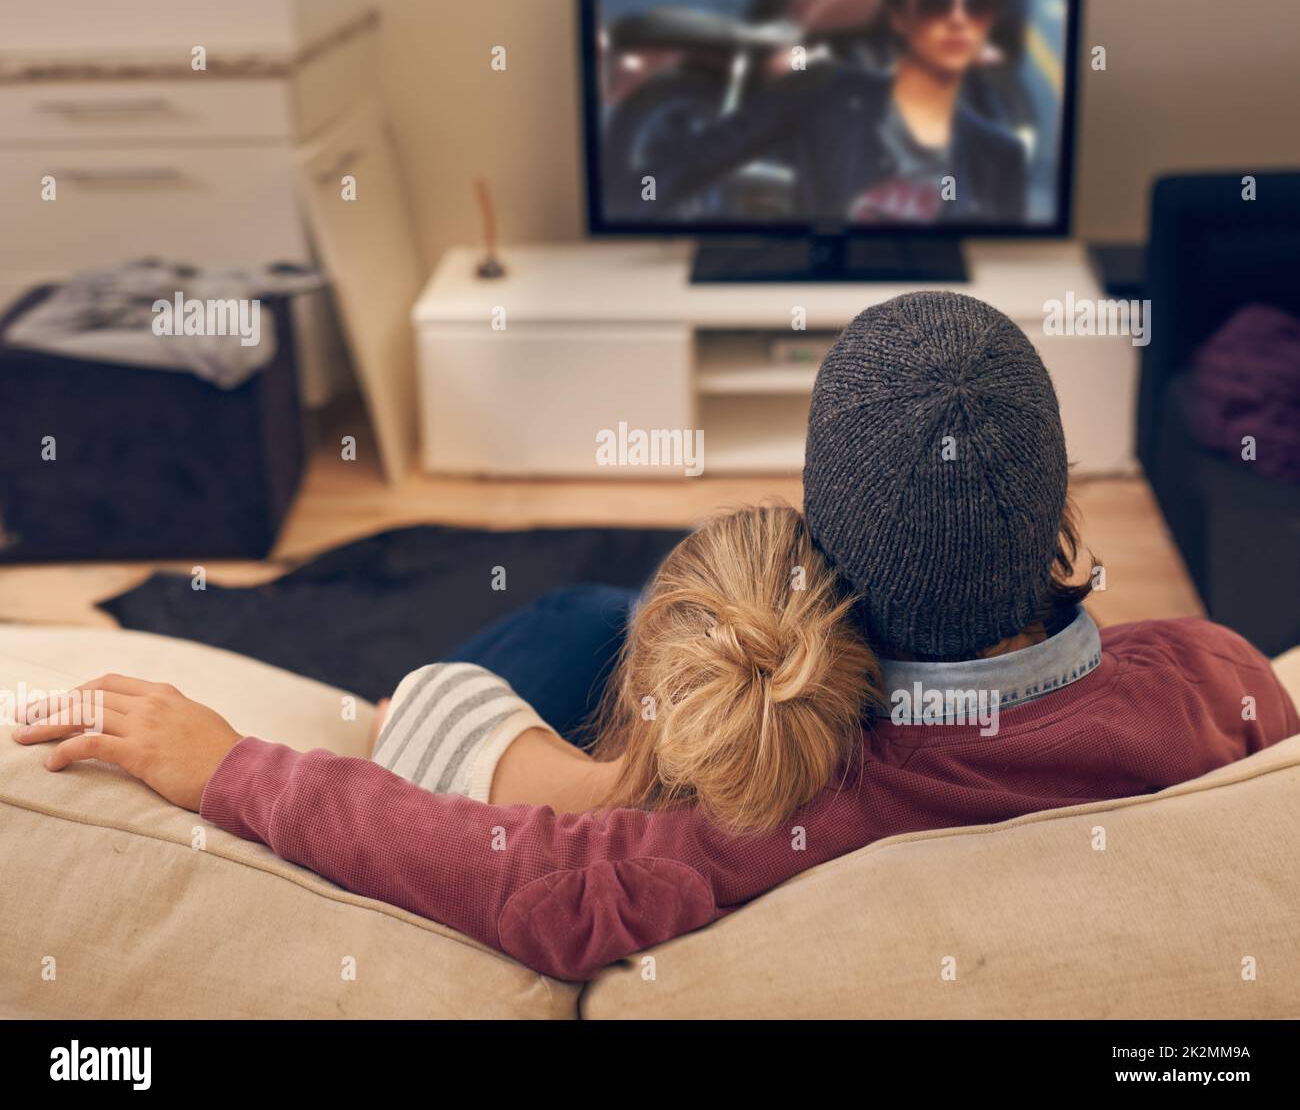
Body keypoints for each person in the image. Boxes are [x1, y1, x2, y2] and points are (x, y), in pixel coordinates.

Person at [17, 292, 1298, 983]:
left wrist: (233, 765)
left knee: (580, 624)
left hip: (462, 731)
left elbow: (538, 879)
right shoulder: (1216, 679)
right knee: (616, 616)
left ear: (824, 552)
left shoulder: (763, 803)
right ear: (1064, 511)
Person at [368, 503, 880, 831]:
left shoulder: (438, 704)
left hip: (439, 722)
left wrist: (407, 717)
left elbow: (392, 734)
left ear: (636, 683)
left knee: (593, 611)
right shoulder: (852, 824)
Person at [637, 0, 1027, 223]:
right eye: (935, 2)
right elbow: (688, 163)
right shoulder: (824, 89)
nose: (959, 20)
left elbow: (1003, 271)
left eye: (978, 4)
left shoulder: (1001, 155)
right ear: (898, 17)